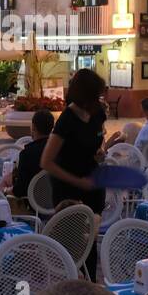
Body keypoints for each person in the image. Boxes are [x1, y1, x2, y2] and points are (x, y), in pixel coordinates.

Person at [41, 69, 108, 222]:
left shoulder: (96, 112)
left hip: (93, 184)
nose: (99, 99)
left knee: (91, 236)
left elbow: (100, 135)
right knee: (72, 240)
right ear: (85, 95)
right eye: (96, 95)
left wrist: (101, 149)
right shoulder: (67, 120)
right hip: (68, 189)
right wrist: (79, 182)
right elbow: (46, 162)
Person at [0, 109, 53, 200]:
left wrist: (4, 191)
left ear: (33, 127)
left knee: (3, 183)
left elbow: (20, 190)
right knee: (8, 178)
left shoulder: (27, 154)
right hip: (53, 203)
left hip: (32, 204)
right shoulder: (57, 150)